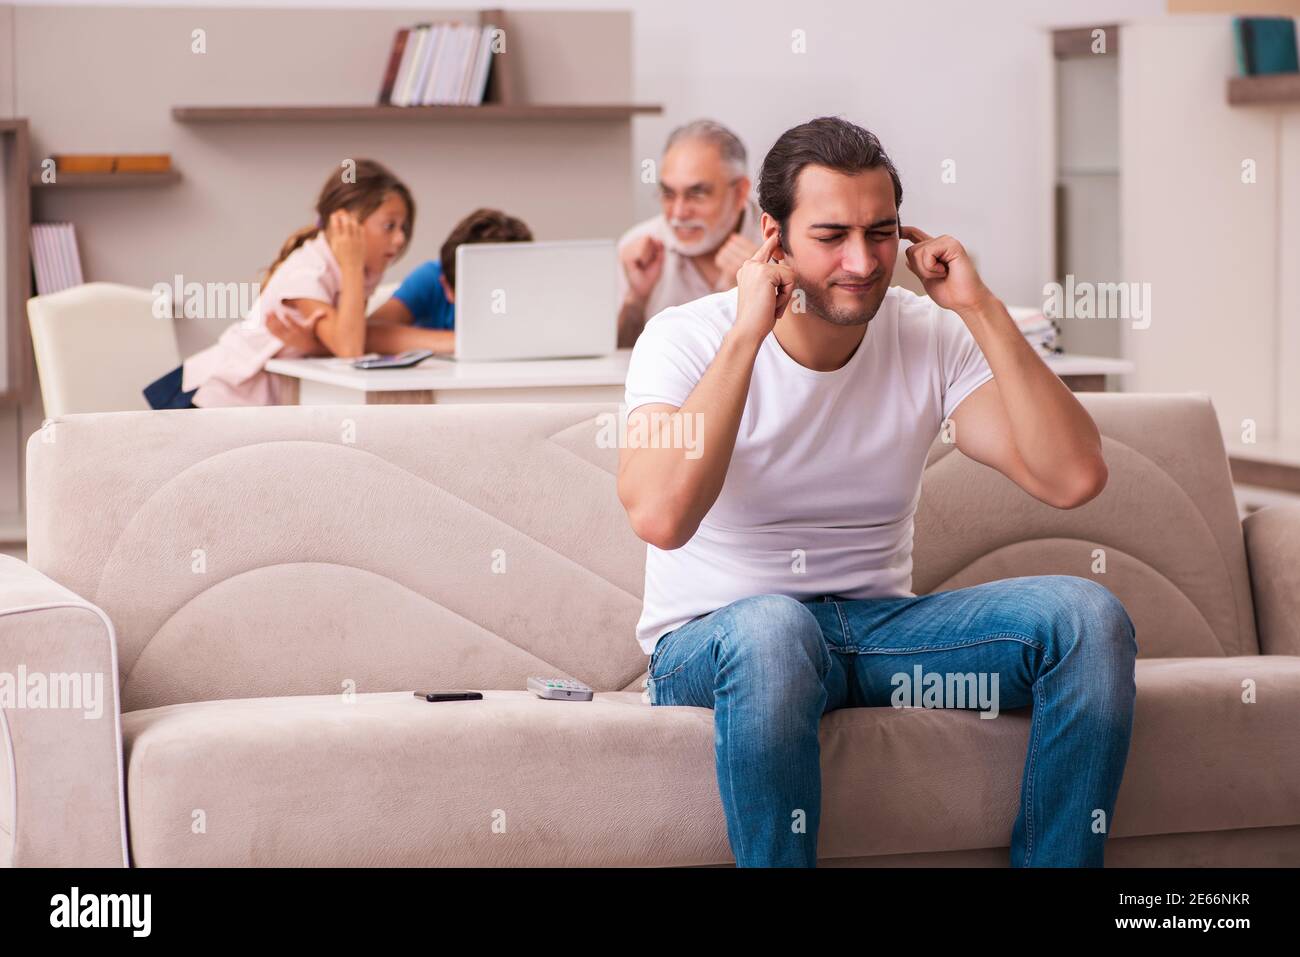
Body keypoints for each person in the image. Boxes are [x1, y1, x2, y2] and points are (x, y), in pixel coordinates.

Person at [618, 116, 1137, 868]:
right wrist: (745, 337)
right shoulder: (685, 338)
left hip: (880, 635)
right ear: (774, 237)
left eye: (881, 232)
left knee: (1087, 617)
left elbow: (1072, 476)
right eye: (831, 235)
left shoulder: (927, 332)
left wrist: (979, 308)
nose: (862, 262)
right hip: (722, 641)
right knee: (775, 629)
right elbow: (660, 515)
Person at [144, 159, 415, 408]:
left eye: (403, 228)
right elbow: (350, 348)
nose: (400, 239)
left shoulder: (349, 274)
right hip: (215, 396)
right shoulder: (309, 270)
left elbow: (340, 344)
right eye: (390, 226)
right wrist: (353, 264)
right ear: (344, 223)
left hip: (250, 403)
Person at [265, 208, 532, 357]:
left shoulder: (542, 290)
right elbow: (368, 333)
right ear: (447, 288)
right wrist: (467, 341)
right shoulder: (430, 279)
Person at [616, 119, 762, 348]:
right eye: (668, 194)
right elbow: (619, 359)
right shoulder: (636, 247)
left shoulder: (780, 246)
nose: (678, 213)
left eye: (697, 194)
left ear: (740, 192)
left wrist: (748, 298)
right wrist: (635, 299)